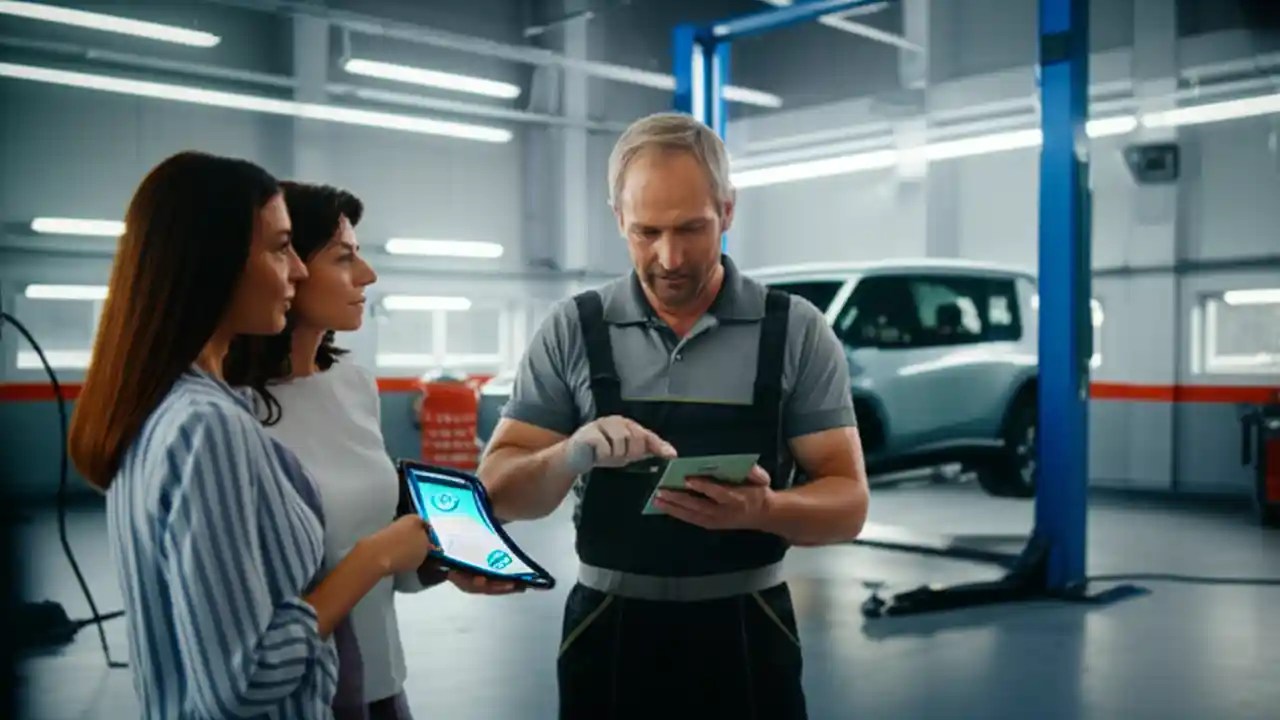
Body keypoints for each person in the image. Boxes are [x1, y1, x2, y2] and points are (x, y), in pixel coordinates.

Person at [477, 112, 871, 719]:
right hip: (608, 628)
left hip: (747, 627)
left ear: (728, 211)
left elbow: (847, 506)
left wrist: (766, 511)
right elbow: (498, 494)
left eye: (692, 228)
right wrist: (571, 452)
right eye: (646, 232)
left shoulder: (795, 331)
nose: (670, 257)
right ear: (618, 219)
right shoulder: (572, 329)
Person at [67, 152, 431, 719]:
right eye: (281, 248)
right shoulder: (211, 426)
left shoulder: (162, 407)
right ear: (216, 261)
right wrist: (374, 558)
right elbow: (243, 679)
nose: (299, 271)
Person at [224, 181, 522, 720]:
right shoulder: (230, 415)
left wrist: (441, 561)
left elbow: (379, 547)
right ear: (285, 265)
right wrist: (380, 554)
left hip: (381, 681)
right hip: (302, 696)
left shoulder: (354, 384)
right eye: (343, 258)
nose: (367, 275)